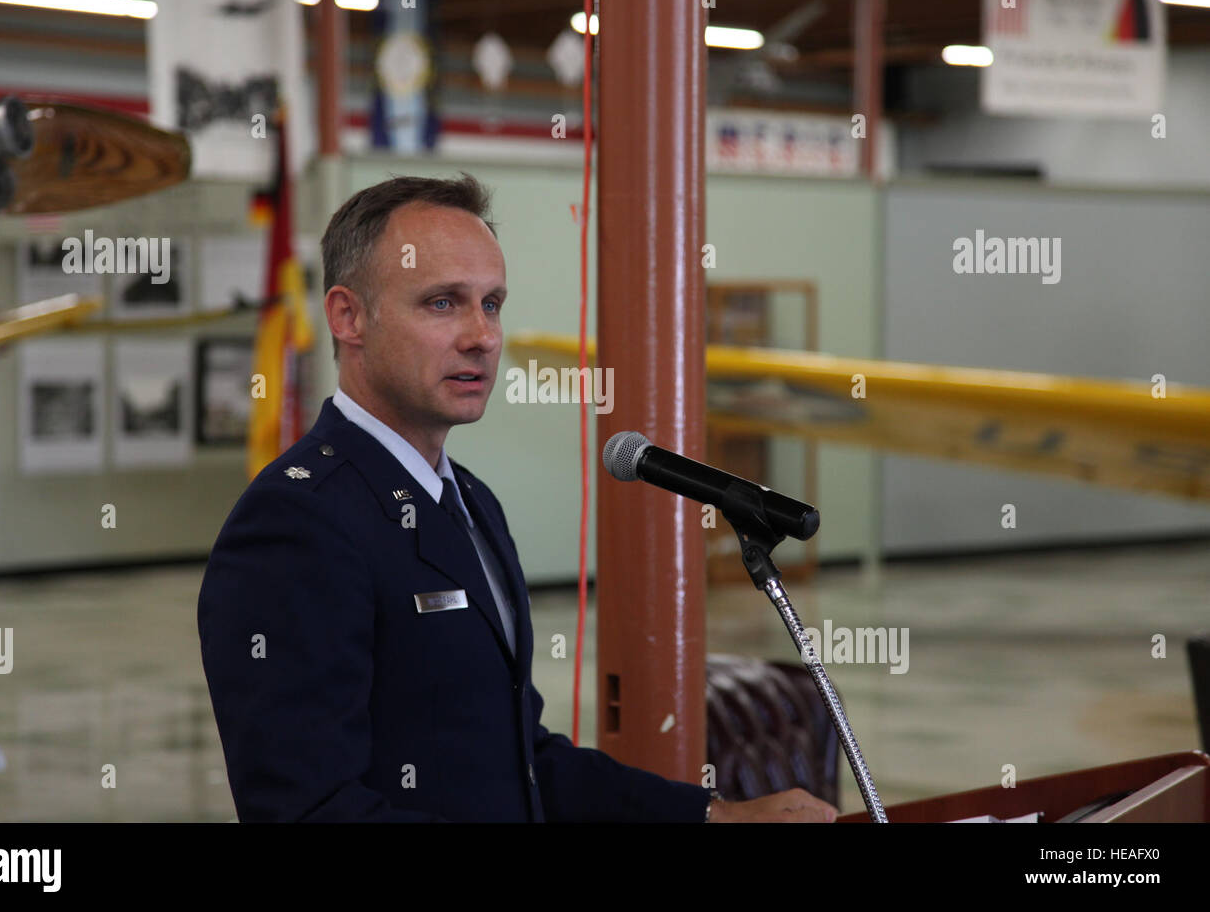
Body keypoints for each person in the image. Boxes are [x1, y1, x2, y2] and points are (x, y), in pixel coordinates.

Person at [197, 173, 838, 823]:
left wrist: (712, 816)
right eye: (443, 303)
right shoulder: (295, 522)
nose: (483, 335)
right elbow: (310, 811)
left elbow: (523, 761)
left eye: (492, 303)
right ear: (349, 316)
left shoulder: (471, 503)